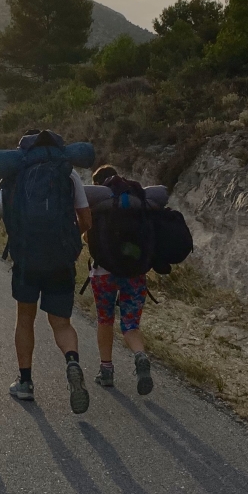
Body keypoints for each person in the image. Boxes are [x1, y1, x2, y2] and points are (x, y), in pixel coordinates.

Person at [0, 129, 93, 413]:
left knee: (25, 319)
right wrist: (72, 241)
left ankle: (25, 382)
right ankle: (72, 361)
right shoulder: (68, 173)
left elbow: (5, 215)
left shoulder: (16, 172)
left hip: (27, 259)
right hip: (60, 259)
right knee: (61, 323)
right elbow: (86, 219)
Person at [88, 164, 156, 396]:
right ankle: (140, 355)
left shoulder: (98, 203)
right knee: (131, 325)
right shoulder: (136, 200)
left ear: (97, 184)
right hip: (135, 274)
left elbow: (88, 236)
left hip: (103, 274)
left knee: (105, 319)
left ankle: (106, 371)